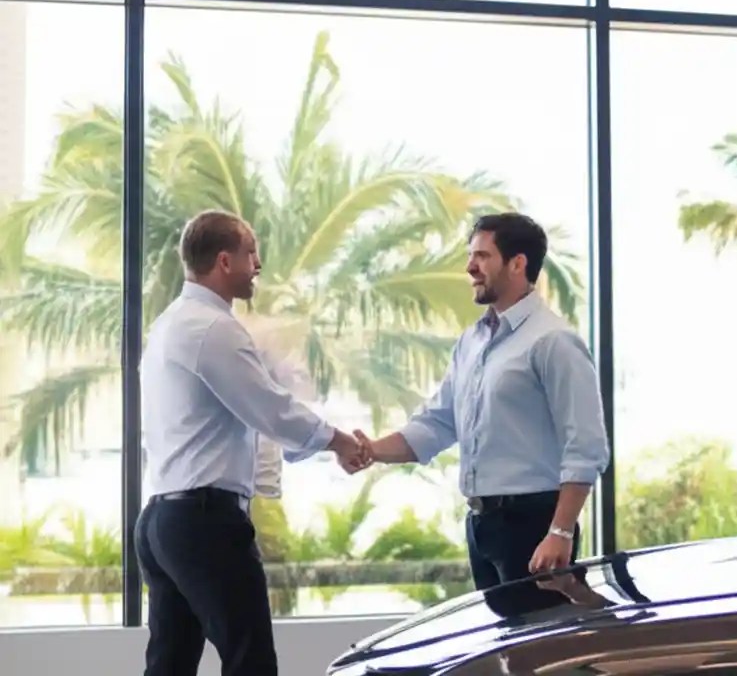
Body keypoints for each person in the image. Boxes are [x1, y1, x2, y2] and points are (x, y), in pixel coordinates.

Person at [135, 210, 372, 676]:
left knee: (170, 664)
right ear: (224, 261)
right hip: (204, 522)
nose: (258, 264)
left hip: (163, 520)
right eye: (250, 253)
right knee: (251, 661)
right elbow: (269, 407)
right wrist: (340, 441)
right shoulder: (212, 328)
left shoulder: (169, 323)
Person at [362, 212, 610, 590]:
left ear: (517, 264)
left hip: (534, 524)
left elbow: (586, 446)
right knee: (502, 631)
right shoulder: (472, 341)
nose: (470, 267)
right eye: (470, 256)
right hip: (482, 525)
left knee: (534, 630)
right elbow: (438, 423)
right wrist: (370, 450)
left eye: (482, 256)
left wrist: (560, 531)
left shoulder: (553, 341)